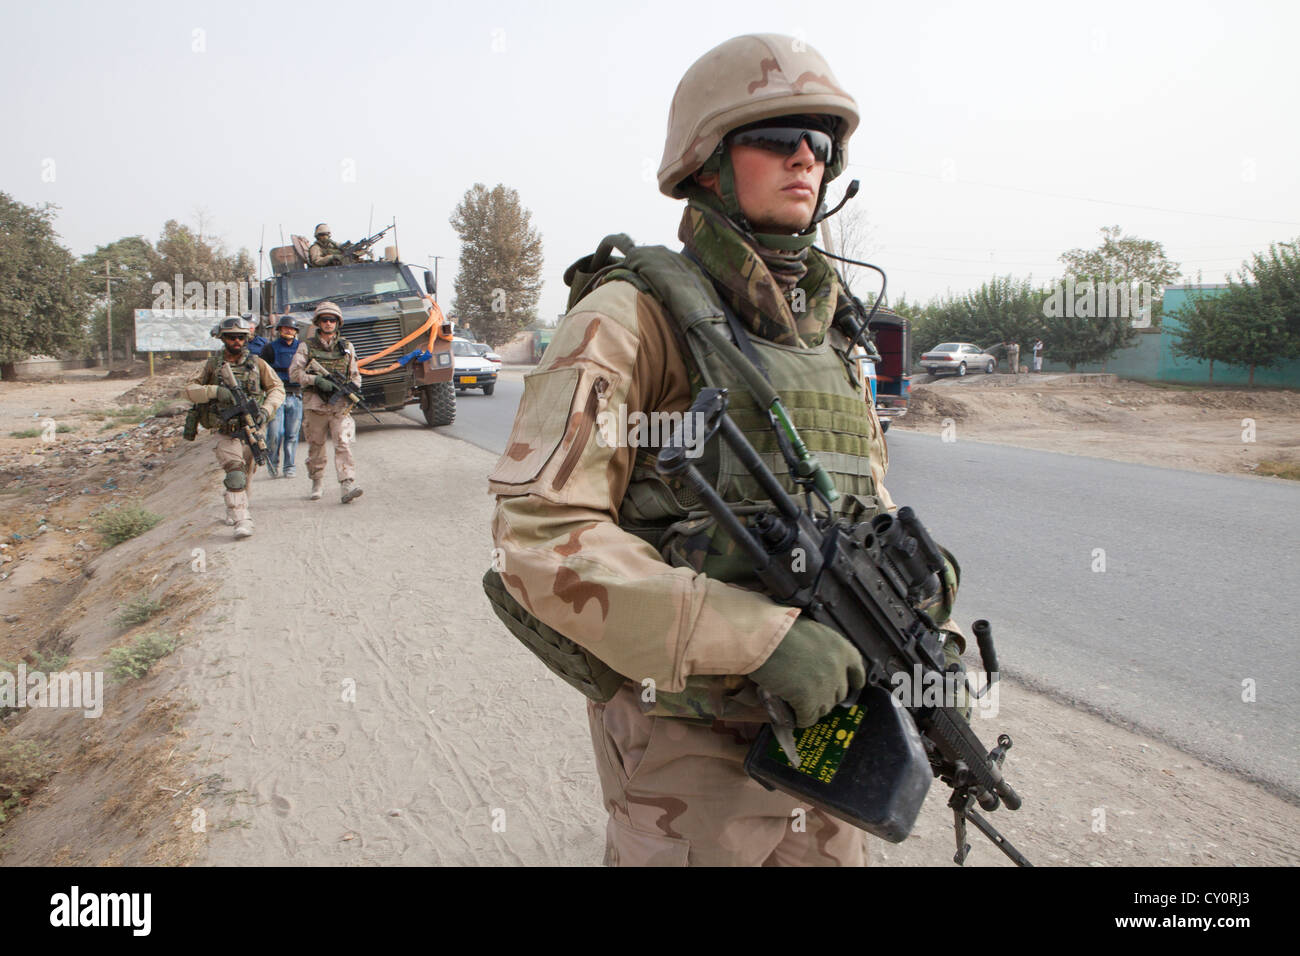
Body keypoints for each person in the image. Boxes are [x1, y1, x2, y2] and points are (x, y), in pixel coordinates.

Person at [486, 34, 964, 866]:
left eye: (819, 146)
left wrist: (919, 591)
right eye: (776, 140)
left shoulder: (838, 341)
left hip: (830, 744)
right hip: (691, 749)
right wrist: (762, 640)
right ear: (706, 161)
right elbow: (542, 538)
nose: (804, 162)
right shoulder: (632, 317)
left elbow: (864, 509)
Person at [181, 316, 284, 539]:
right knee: (235, 473)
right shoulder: (211, 365)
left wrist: (266, 410)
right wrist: (215, 392)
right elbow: (189, 389)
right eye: (231, 337)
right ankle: (242, 520)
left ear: (246, 338)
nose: (236, 341)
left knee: (246, 474)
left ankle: (235, 506)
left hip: (251, 430)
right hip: (224, 431)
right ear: (222, 338)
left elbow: (277, 389)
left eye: (240, 337)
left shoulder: (257, 364)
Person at [290, 301, 363, 503]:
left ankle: (347, 482)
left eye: (332, 320)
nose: (328, 323)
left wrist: (351, 388)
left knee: (343, 443)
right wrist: (316, 380)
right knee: (316, 446)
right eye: (325, 320)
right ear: (318, 322)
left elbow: (356, 375)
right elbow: (294, 373)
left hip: (339, 406)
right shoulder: (307, 347)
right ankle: (317, 480)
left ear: (337, 323)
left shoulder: (347, 347)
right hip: (315, 405)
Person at [260, 315, 304, 477]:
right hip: (276, 395)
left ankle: (289, 467)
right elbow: (261, 371)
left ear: (296, 331)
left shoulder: (302, 348)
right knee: (275, 433)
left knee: (292, 434)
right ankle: (273, 464)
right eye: (285, 328)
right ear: (279, 330)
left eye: (291, 328)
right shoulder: (270, 348)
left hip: (296, 395)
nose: (288, 330)